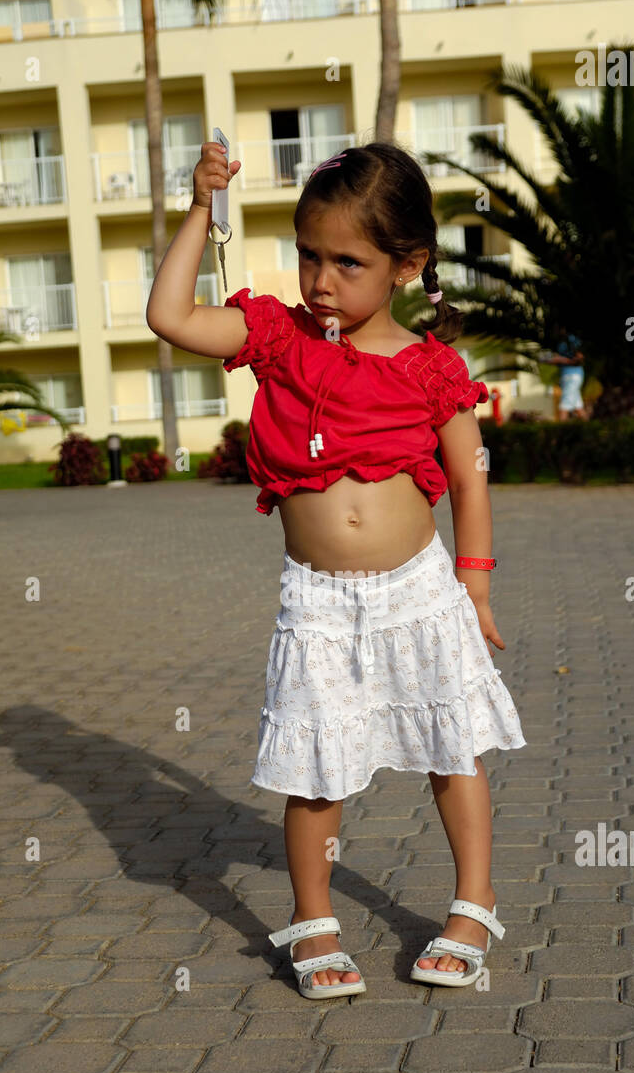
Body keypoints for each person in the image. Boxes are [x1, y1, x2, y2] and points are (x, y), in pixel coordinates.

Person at [147, 141, 527, 999]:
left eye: (347, 263)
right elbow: (170, 317)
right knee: (313, 763)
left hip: (418, 591)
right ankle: (312, 920)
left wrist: (473, 584)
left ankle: (473, 903)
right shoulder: (276, 337)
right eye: (308, 255)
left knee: (451, 746)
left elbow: (468, 477)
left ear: (407, 265)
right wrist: (201, 207)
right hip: (318, 598)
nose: (321, 280)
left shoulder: (431, 367)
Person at [548, 332, 586, 419]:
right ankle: (591, 430)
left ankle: (561, 431)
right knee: (578, 407)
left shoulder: (571, 340)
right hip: (568, 376)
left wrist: (565, 361)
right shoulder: (559, 341)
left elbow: (580, 357)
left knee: (563, 407)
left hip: (572, 376)